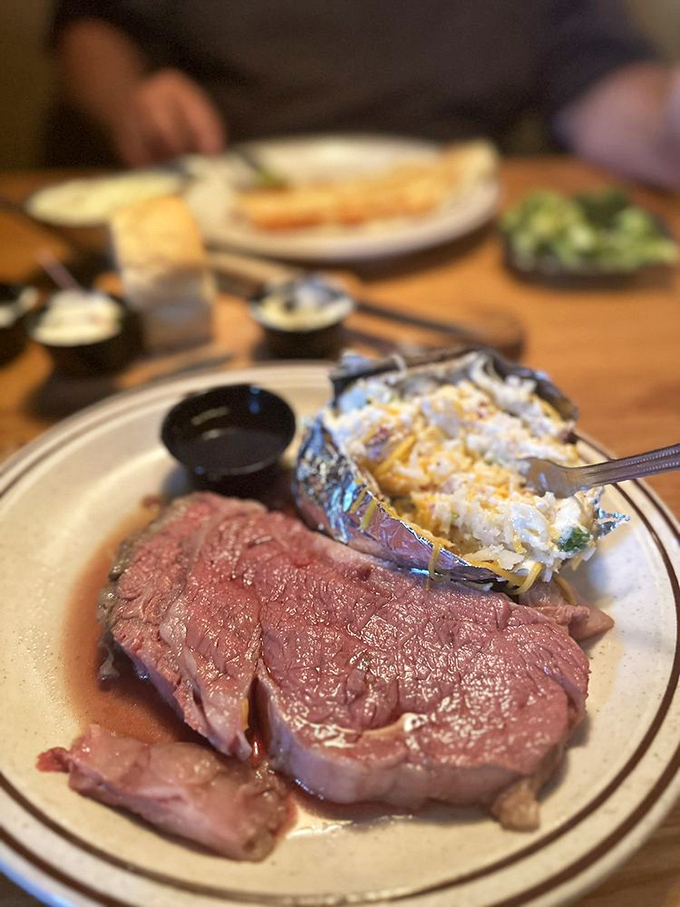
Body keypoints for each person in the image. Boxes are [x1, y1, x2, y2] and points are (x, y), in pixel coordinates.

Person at [48, 0, 680, 188]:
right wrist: (132, 97)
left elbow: (597, 77)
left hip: (460, 240)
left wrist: (667, 115)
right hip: (216, 217)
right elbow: (93, 24)